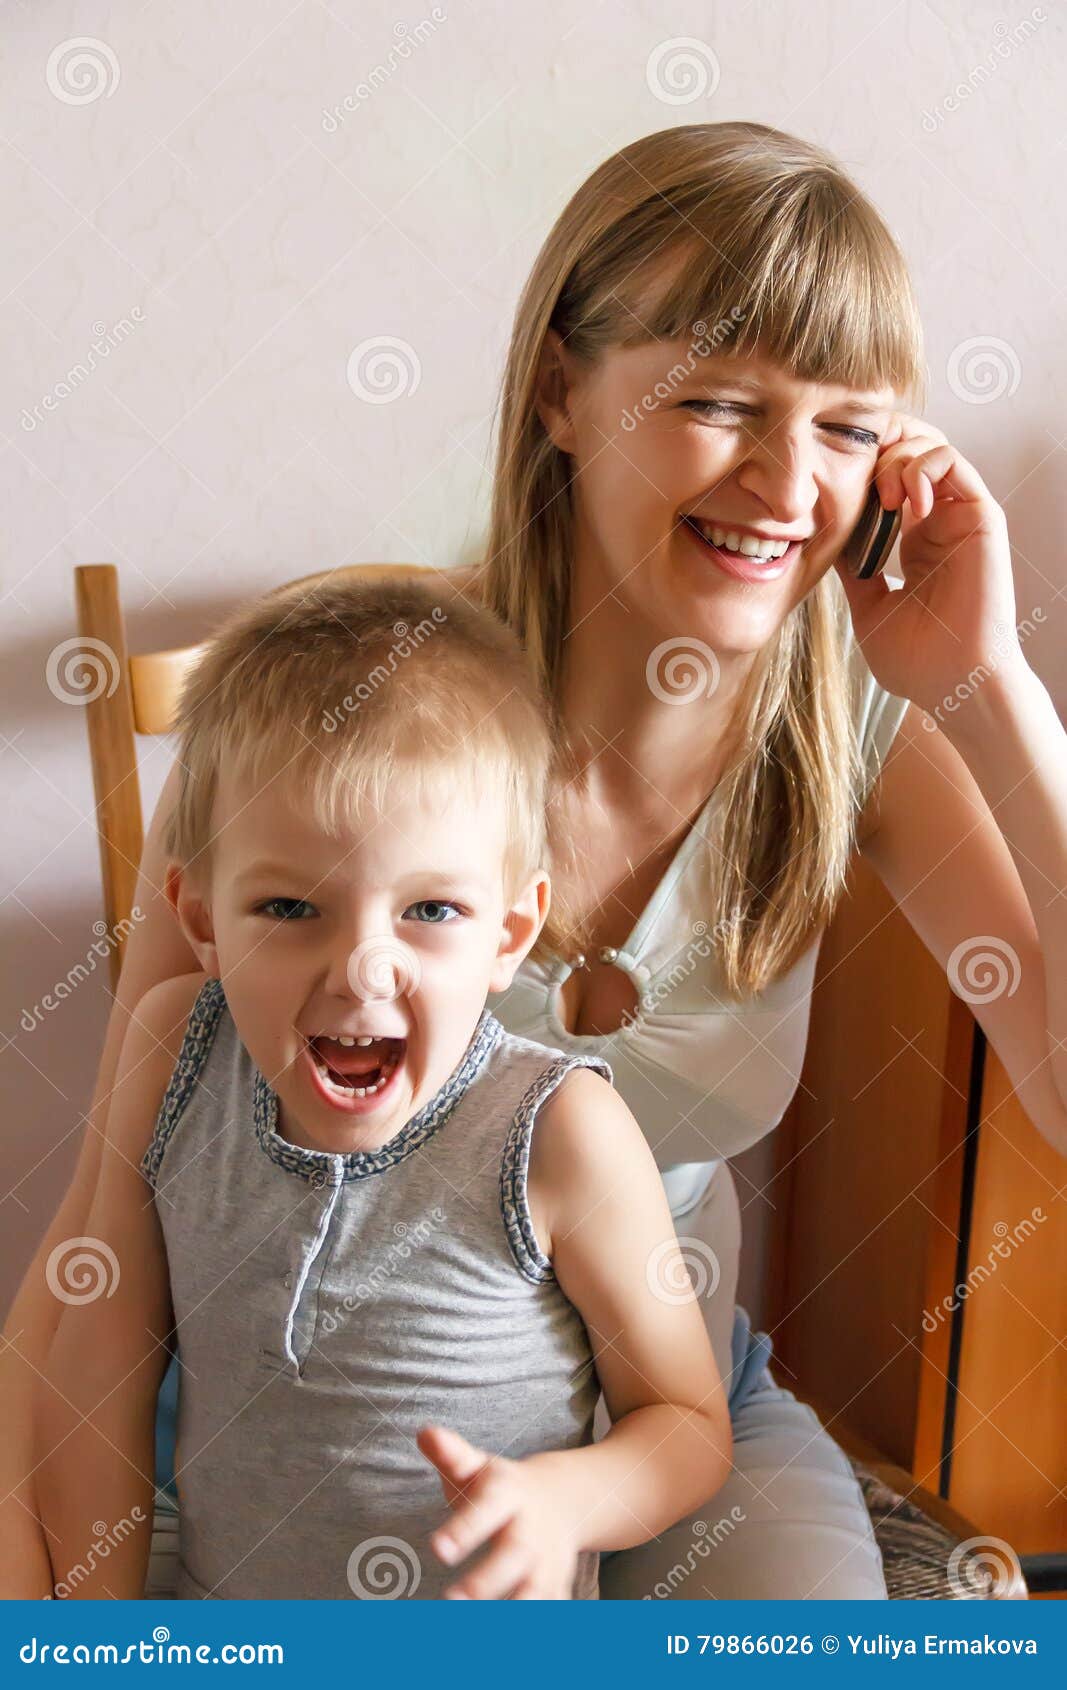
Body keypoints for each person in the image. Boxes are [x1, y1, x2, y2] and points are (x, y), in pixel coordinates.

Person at [7, 121, 1067, 1600]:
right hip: (304, 1400)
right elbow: (105, 1219)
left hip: (674, 1409)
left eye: (843, 428)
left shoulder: (853, 749)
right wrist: (29, 1535)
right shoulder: (364, 710)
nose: (782, 482)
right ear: (561, 392)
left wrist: (985, 688)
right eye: (716, 400)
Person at [32, 573, 732, 1601]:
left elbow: (685, 1426)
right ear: (200, 920)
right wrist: (91, 1626)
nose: (361, 968)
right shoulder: (170, 1051)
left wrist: (564, 1502)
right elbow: (100, 1363)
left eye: (430, 911)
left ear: (510, 933)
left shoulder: (558, 1131)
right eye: (288, 905)